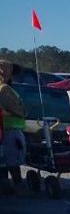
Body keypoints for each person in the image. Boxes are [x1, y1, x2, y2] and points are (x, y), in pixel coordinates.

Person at [0, 60, 27, 193]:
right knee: (11, 162)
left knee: (7, 161)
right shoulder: (5, 89)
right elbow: (19, 110)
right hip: (10, 130)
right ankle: (15, 187)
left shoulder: (4, 89)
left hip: (8, 131)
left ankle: (10, 187)